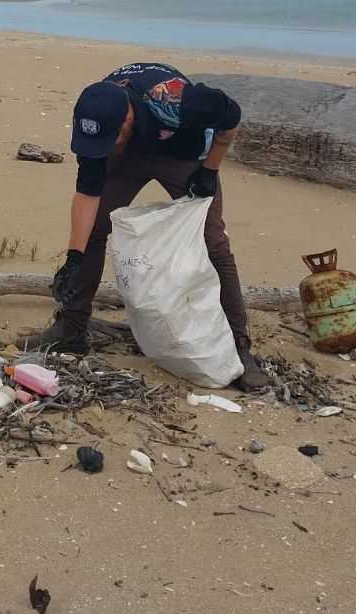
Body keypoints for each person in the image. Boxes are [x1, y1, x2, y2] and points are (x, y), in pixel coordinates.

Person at [46, 61, 268, 390]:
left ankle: (238, 348)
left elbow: (230, 118)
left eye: (111, 137)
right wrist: (73, 259)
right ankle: (72, 331)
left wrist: (210, 168)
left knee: (213, 242)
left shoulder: (179, 102)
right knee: (92, 233)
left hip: (180, 154)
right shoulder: (95, 122)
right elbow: (87, 194)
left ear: (128, 117)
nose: (103, 147)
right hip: (130, 156)